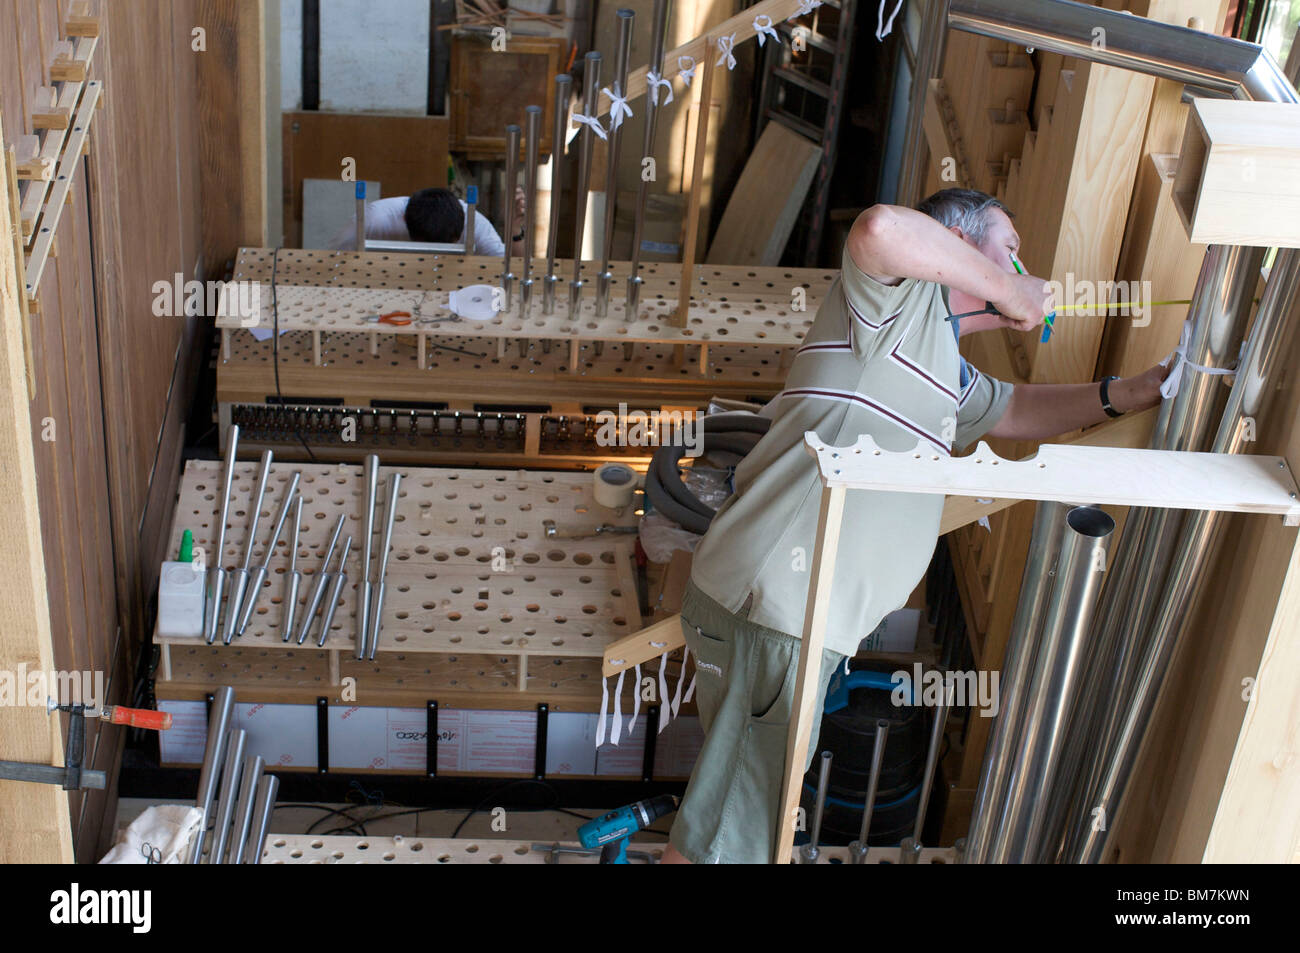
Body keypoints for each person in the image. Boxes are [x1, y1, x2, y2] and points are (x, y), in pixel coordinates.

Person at [661, 188, 1173, 865]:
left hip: (793, 619)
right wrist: (1006, 288)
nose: (1019, 265)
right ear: (954, 242)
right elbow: (877, 228)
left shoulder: (943, 366)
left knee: (741, 830)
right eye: (1008, 247)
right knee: (724, 845)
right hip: (781, 610)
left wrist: (1126, 392)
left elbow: (1014, 410)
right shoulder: (892, 304)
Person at [327, 186, 525, 256]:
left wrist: (515, 230)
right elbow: (331, 262)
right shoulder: (372, 220)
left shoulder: (475, 225)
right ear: (405, 220)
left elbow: (513, 270)